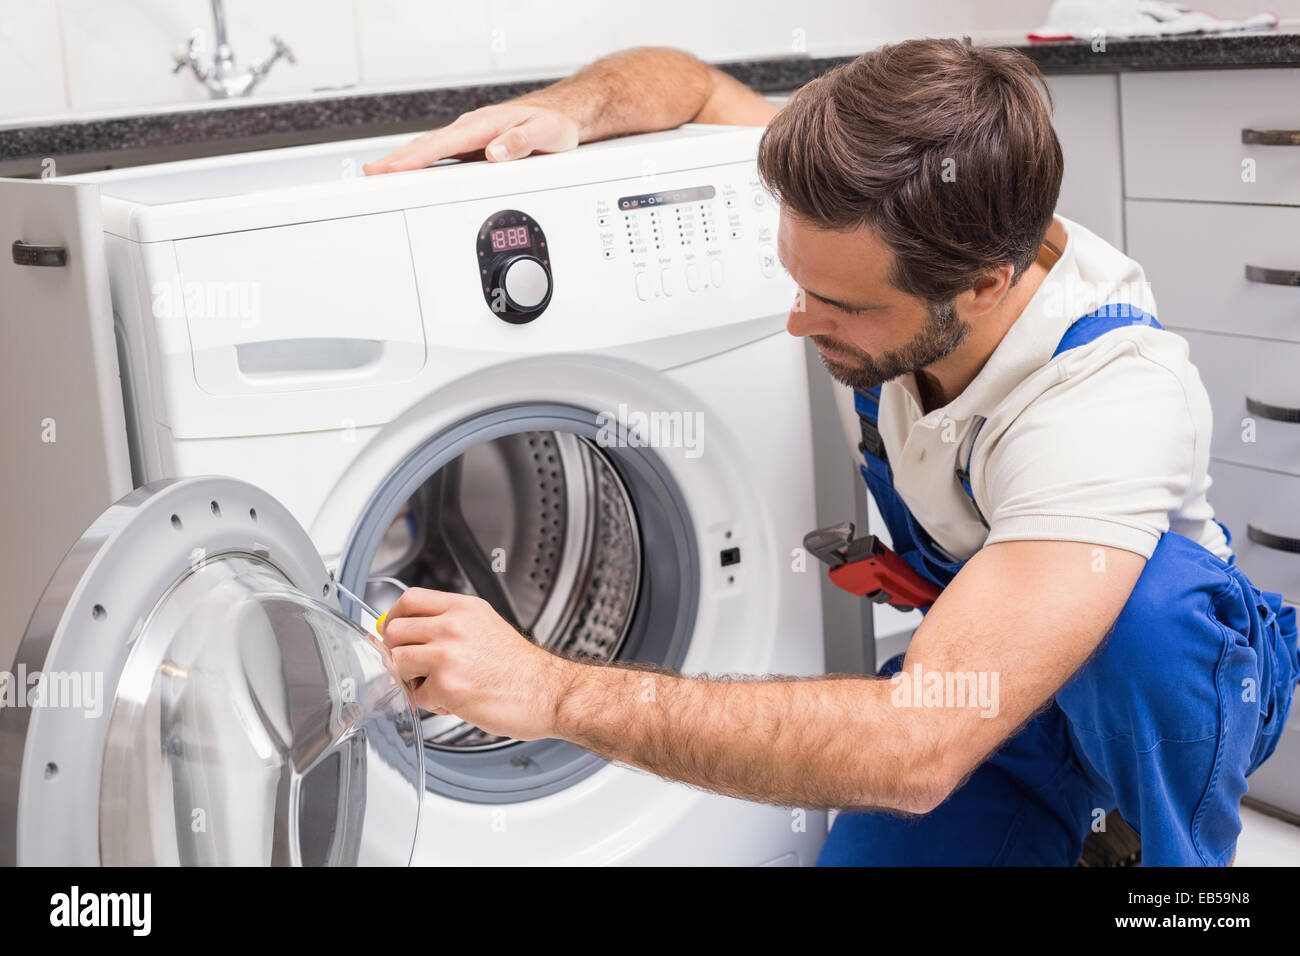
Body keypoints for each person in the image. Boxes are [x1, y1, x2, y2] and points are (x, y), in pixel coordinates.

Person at [363, 39, 1299, 866]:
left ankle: (1156, 851)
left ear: (982, 286)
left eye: (844, 307)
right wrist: (572, 109)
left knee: (1148, 617)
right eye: (798, 279)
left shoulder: (1109, 397)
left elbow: (916, 747)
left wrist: (551, 690)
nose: (799, 320)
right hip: (985, 669)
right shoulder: (887, 205)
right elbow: (688, 84)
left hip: (1153, 699)